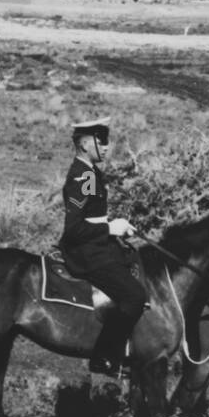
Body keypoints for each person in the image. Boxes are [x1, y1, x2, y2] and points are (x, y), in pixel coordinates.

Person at [59, 117, 148, 377]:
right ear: (86, 144)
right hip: (85, 252)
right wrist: (110, 228)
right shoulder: (83, 176)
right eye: (102, 141)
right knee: (134, 296)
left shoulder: (92, 172)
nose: (108, 146)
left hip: (98, 244)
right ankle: (104, 357)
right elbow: (74, 228)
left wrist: (115, 227)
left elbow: (91, 218)